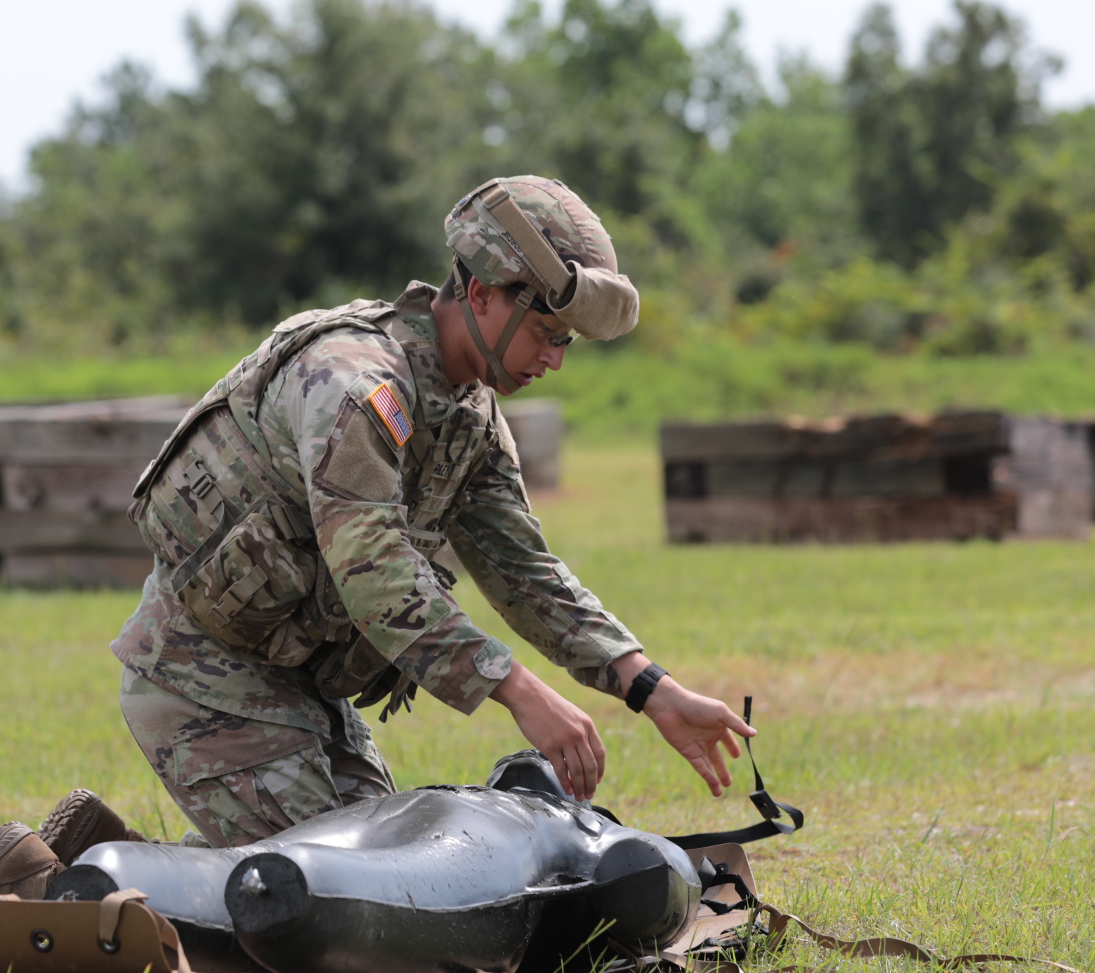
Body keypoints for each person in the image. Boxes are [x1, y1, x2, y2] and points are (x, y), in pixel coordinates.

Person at [112, 175, 755, 848]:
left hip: (302, 687)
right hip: (202, 676)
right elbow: (375, 572)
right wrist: (519, 690)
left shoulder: (469, 415)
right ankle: (70, 880)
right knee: (335, 891)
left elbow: (525, 572)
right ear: (481, 294)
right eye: (546, 332)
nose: (554, 360)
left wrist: (651, 688)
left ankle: (130, 860)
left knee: (396, 871)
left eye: (566, 341)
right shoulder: (352, 383)